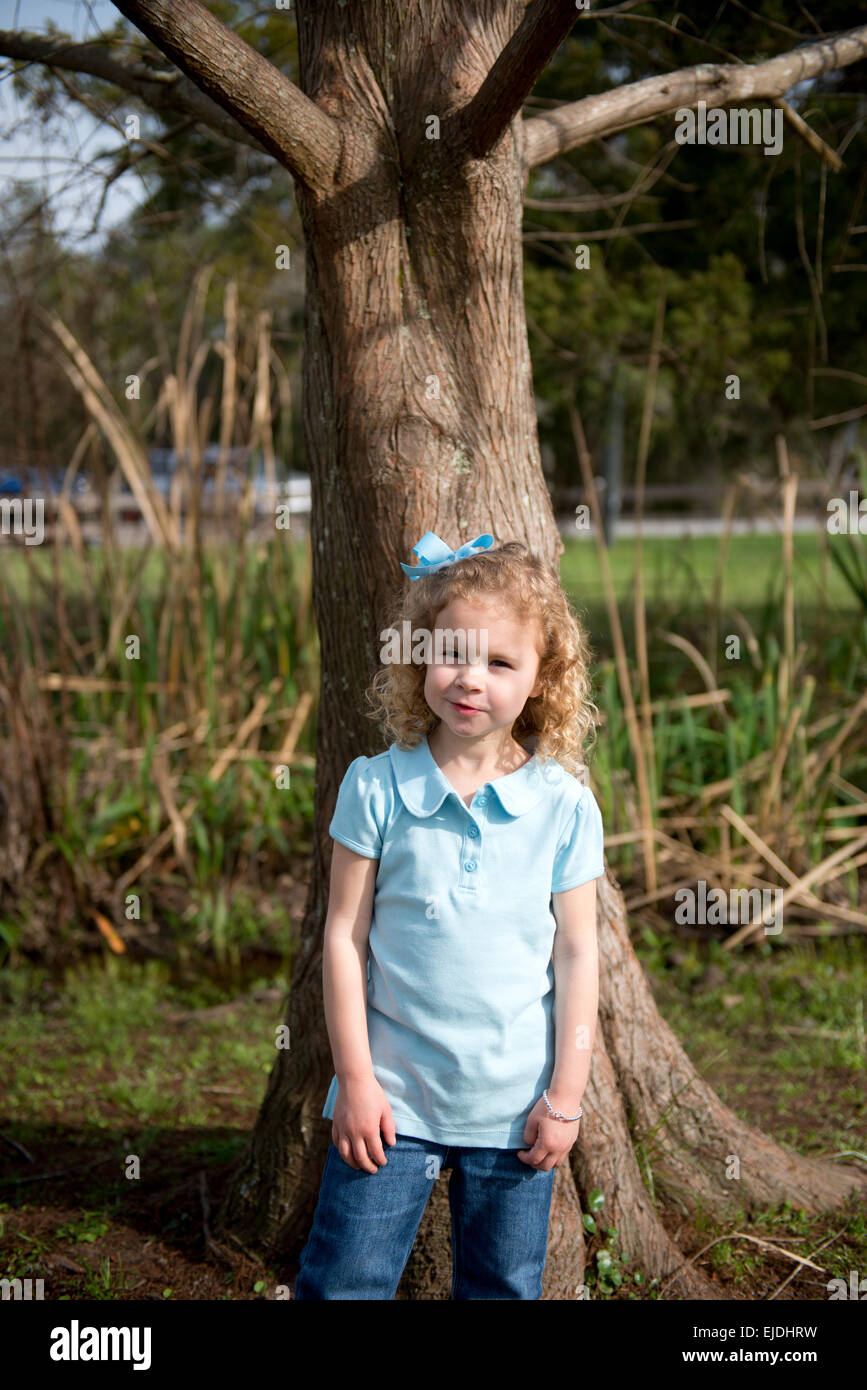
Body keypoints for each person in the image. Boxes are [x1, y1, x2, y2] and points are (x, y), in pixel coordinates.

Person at [293, 532, 605, 1300]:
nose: (471, 680)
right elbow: (343, 936)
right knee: (344, 1283)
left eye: (501, 663)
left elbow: (576, 955)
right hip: (389, 1100)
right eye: (453, 654)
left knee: (501, 1286)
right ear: (419, 656)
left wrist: (564, 1097)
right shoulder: (374, 786)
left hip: (517, 1110)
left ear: (541, 679)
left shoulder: (562, 805)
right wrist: (356, 1079)